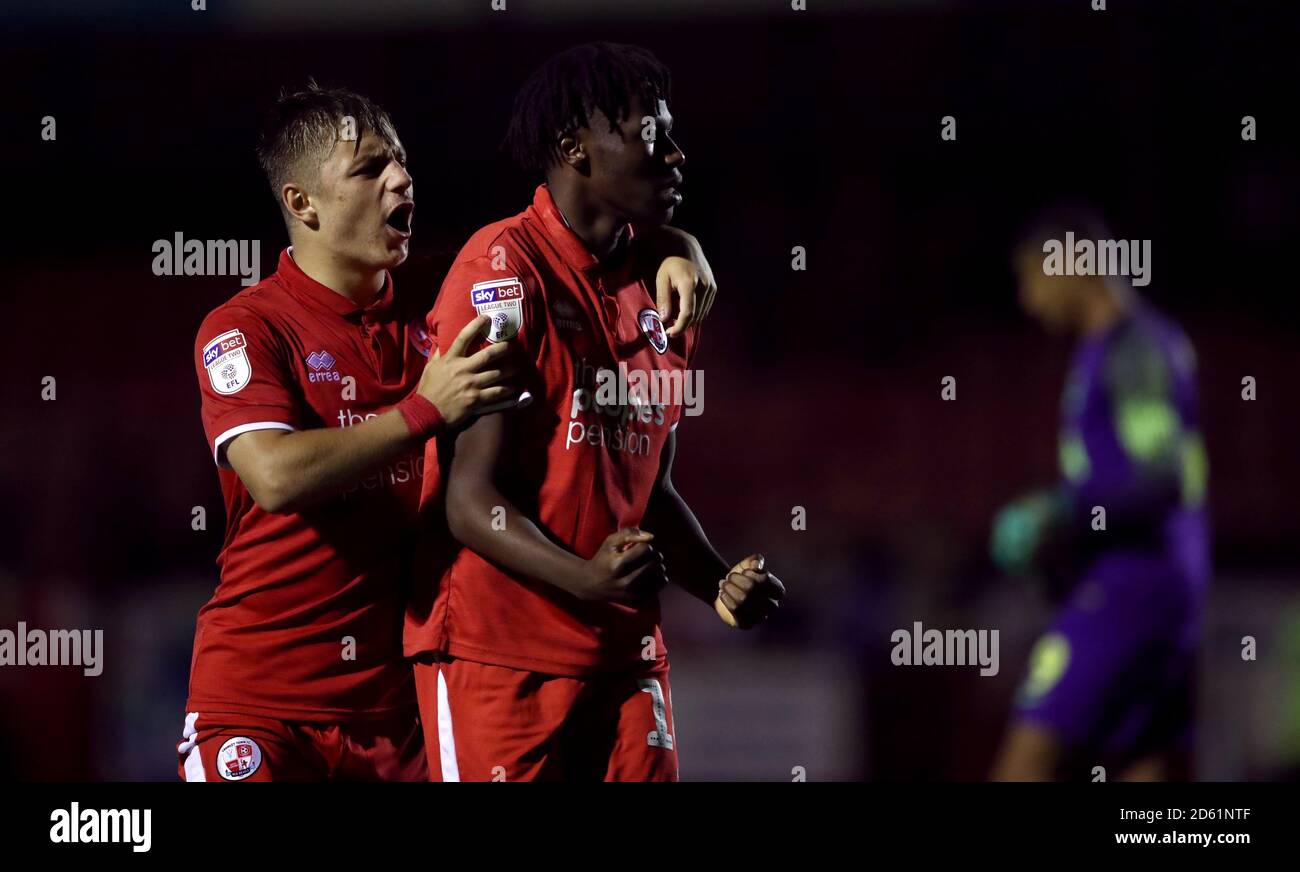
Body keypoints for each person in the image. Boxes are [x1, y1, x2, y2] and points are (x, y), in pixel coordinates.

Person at [178, 81, 717, 781]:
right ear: (301, 203)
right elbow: (275, 477)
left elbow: (561, 236)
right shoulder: (247, 328)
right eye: (370, 169)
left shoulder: (447, 296)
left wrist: (676, 244)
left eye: (401, 162)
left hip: (399, 716)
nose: (401, 179)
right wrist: (422, 410)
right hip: (259, 705)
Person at [406, 42, 784, 782]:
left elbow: (649, 492)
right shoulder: (502, 275)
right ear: (574, 148)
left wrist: (716, 584)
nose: (675, 154)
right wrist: (583, 578)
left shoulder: (669, 290)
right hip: (501, 658)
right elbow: (467, 497)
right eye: (651, 134)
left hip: (626, 659)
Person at [990, 204, 1210, 781]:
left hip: (1131, 586)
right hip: (1164, 583)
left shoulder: (1133, 350)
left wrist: (1061, 513)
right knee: (1147, 768)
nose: (1028, 299)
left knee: (1027, 757)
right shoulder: (1124, 347)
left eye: (1032, 278)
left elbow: (1161, 479)